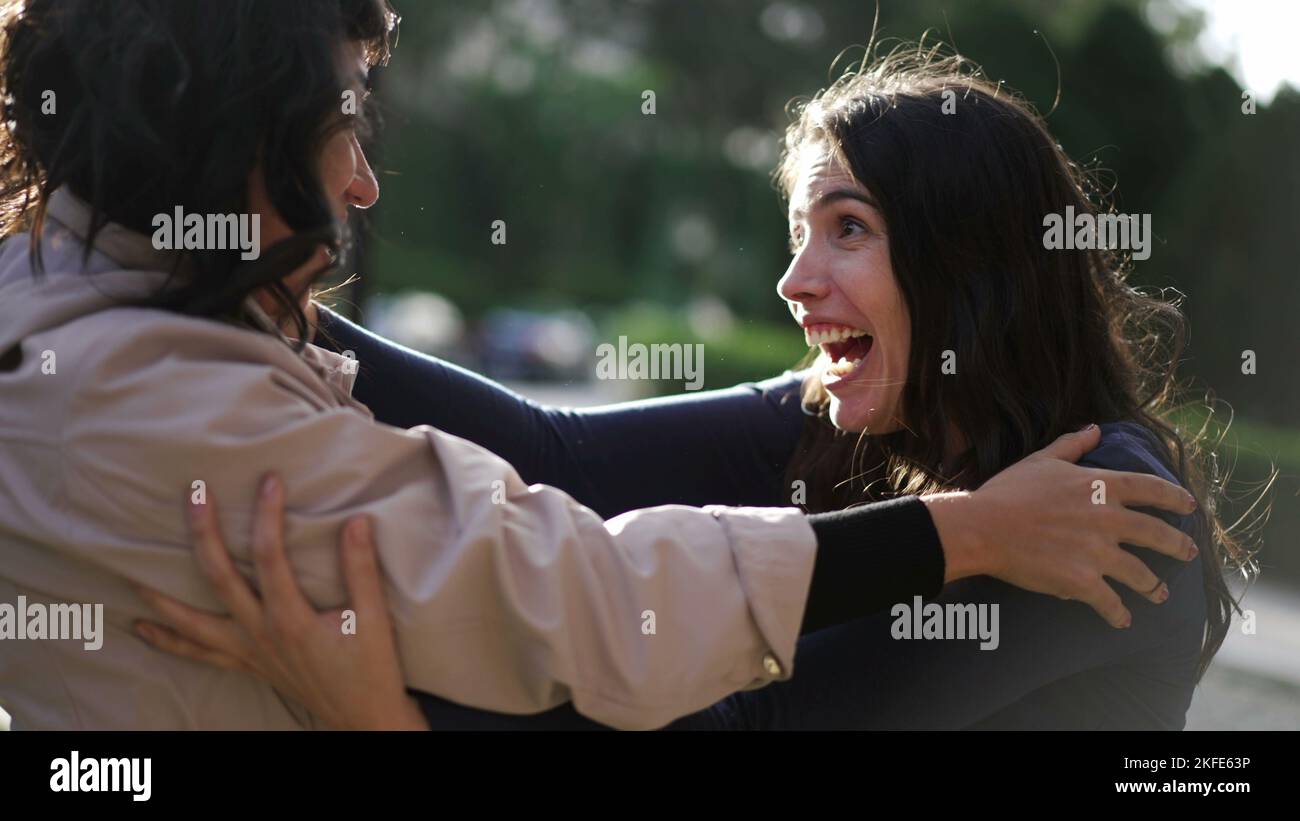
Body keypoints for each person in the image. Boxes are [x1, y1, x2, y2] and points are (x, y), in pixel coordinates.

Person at [132, 44, 1242, 730]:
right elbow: (559, 453)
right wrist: (250, 291)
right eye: (800, 232)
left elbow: (754, 728)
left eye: (846, 230)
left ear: (968, 257)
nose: (793, 281)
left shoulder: (1096, 508)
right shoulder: (863, 414)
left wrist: (372, 702)